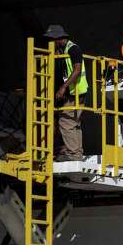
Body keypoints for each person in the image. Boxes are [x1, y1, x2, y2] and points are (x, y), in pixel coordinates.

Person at [44, 24, 87, 161]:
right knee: (74, 123)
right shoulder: (61, 50)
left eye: (51, 39)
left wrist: (63, 87)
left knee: (65, 122)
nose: (50, 42)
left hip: (75, 92)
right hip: (73, 92)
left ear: (58, 38)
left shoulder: (73, 49)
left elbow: (77, 69)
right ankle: (77, 152)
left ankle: (73, 154)